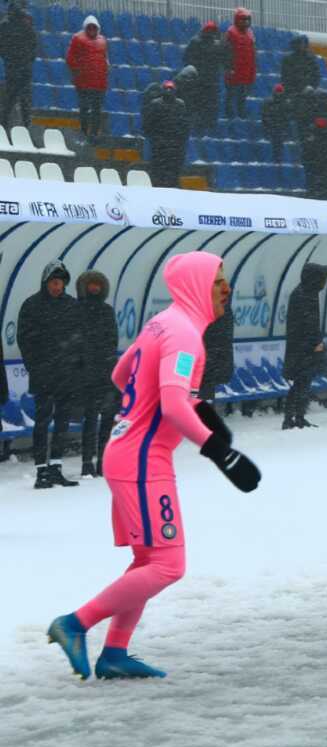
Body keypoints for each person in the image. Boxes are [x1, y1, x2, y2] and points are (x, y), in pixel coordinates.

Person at [46, 252, 261, 681]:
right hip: (143, 459)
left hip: (131, 451)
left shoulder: (163, 322)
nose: (227, 289)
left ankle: (114, 653)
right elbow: (172, 405)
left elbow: (122, 375)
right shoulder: (185, 334)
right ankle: (75, 623)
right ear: (198, 284)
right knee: (168, 564)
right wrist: (221, 451)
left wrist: (173, 407)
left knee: (148, 560)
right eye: (219, 281)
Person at [17, 260, 82, 489]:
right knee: (42, 422)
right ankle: (41, 471)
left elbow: (79, 340)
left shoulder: (71, 306)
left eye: (61, 283)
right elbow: (24, 340)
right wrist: (35, 367)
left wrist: (76, 367)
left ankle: (55, 467)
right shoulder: (32, 305)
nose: (57, 287)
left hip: (66, 376)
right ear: (46, 282)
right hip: (43, 376)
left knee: (62, 423)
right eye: (54, 282)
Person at [76, 270, 119, 479]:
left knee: (107, 419)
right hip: (86, 374)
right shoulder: (77, 311)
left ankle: (103, 460)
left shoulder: (107, 311)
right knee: (90, 419)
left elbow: (112, 340)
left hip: (106, 372)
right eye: (91, 284)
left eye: (98, 285)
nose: (94, 288)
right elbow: (75, 341)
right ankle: (87, 462)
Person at [282, 262, 327, 429]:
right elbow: (307, 323)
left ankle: (298, 416)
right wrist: (316, 342)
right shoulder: (303, 294)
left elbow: (310, 322)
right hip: (302, 348)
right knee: (300, 382)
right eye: (323, 278)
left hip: (305, 347)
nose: (325, 283)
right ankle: (290, 418)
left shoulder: (308, 292)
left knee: (303, 382)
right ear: (315, 278)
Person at [66, 14, 108, 143]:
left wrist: (105, 71)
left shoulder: (103, 41)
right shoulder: (78, 39)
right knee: (84, 108)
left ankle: (93, 134)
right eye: (89, 28)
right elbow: (70, 58)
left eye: (94, 28)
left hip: (99, 83)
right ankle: (84, 131)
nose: (92, 30)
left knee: (96, 110)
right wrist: (77, 71)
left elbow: (105, 59)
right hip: (84, 82)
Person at [143, 79, 189, 188]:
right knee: (158, 173)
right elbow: (148, 124)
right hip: (161, 145)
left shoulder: (180, 105)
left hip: (173, 146)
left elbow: (184, 125)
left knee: (172, 173)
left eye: (171, 88)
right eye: (166, 88)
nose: (169, 91)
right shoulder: (156, 104)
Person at [0, 0, 37, 129]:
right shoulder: (26, 25)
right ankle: (26, 125)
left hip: (13, 67)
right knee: (24, 98)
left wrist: (7, 57)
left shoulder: (5, 26)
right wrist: (27, 59)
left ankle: (3, 124)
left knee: (10, 98)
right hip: (24, 67)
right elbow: (33, 45)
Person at [182, 20, 223, 132]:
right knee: (203, 105)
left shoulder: (199, 42)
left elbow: (187, 59)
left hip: (206, 81)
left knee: (205, 105)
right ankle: (204, 126)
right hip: (204, 81)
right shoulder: (198, 42)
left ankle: (205, 126)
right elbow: (187, 59)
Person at [199, 294, 234, 403]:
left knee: (201, 394)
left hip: (207, 360)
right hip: (215, 360)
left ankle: (201, 416)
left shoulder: (207, 308)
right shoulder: (223, 306)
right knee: (206, 394)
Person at [222, 7, 255, 119]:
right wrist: (228, 68)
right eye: (243, 19)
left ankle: (241, 115)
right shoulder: (231, 32)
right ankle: (229, 115)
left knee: (242, 96)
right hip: (233, 70)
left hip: (245, 71)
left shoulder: (250, 34)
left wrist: (252, 71)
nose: (246, 22)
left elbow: (252, 54)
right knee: (231, 95)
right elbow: (225, 52)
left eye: (247, 19)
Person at [301, 117, 327, 200]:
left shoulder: (310, 136)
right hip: (326, 168)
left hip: (314, 167)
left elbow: (306, 152)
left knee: (313, 190)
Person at [281, 35, 321, 105]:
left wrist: (311, 86)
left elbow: (316, 75)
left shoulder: (310, 59)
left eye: (303, 44)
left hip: (304, 91)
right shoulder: (288, 59)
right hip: (294, 91)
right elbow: (285, 76)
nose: (302, 46)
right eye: (301, 44)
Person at [261, 83, 289, 163]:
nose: (279, 93)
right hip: (274, 125)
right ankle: (277, 158)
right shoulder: (270, 102)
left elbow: (287, 116)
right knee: (277, 142)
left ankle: (277, 158)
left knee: (278, 143)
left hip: (278, 125)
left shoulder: (283, 103)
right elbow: (264, 114)